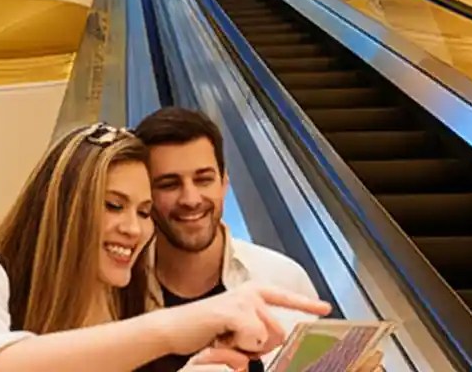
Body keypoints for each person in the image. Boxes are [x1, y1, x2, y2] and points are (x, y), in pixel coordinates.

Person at [0, 123, 332, 372]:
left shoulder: (115, 306)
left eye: (143, 211)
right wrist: (175, 327)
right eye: (114, 205)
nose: (133, 228)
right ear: (65, 206)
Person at [135, 107, 380, 372]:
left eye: (204, 179)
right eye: (169, 184)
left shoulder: (282, 277)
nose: (191, 199)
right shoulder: (116, 292)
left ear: (224, 182)